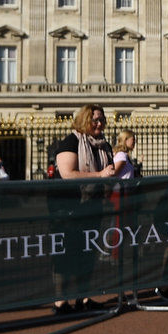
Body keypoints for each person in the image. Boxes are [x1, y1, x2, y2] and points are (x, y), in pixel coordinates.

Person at [52, 104, 115, 312]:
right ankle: (61, 301)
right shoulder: (71, 142)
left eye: (102, 120)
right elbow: (68, 173)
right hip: (70, 208)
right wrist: (99, 176)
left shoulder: (104, 145)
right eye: (95, 120)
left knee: (88, 252)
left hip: (93, 206)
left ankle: (83, 298)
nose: (99, 123)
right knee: (67, 255)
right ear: (84, 120)